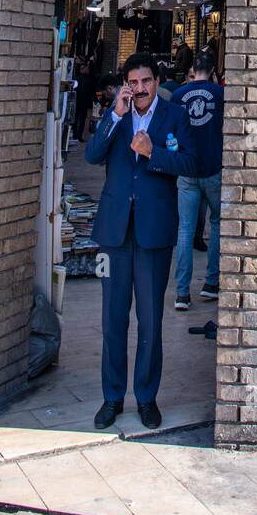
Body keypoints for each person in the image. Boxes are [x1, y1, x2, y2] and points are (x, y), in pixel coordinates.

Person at [85, 52, 196, 430]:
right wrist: (114, 115)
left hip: (154, 231)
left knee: (150, 321)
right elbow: (91, 155)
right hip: (115, 232)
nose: (140, 89)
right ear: (125, 86)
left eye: (145, 81)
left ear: (156, 81)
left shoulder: (174, 116)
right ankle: (112, 397)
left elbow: (190, 163)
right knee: (113, 320)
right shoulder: (116, 117)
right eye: (132, 83)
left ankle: (146, 398)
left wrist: (154, 153)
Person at [171, 50, 224, 309]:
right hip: (213, 169)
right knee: (217, 224)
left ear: (192, 71)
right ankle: (211, 284)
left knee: (185, 230)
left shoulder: (179, 96)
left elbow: (171, 133)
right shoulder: (220, 94)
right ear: (213, 71)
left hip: (186, 171)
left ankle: (182, 293)